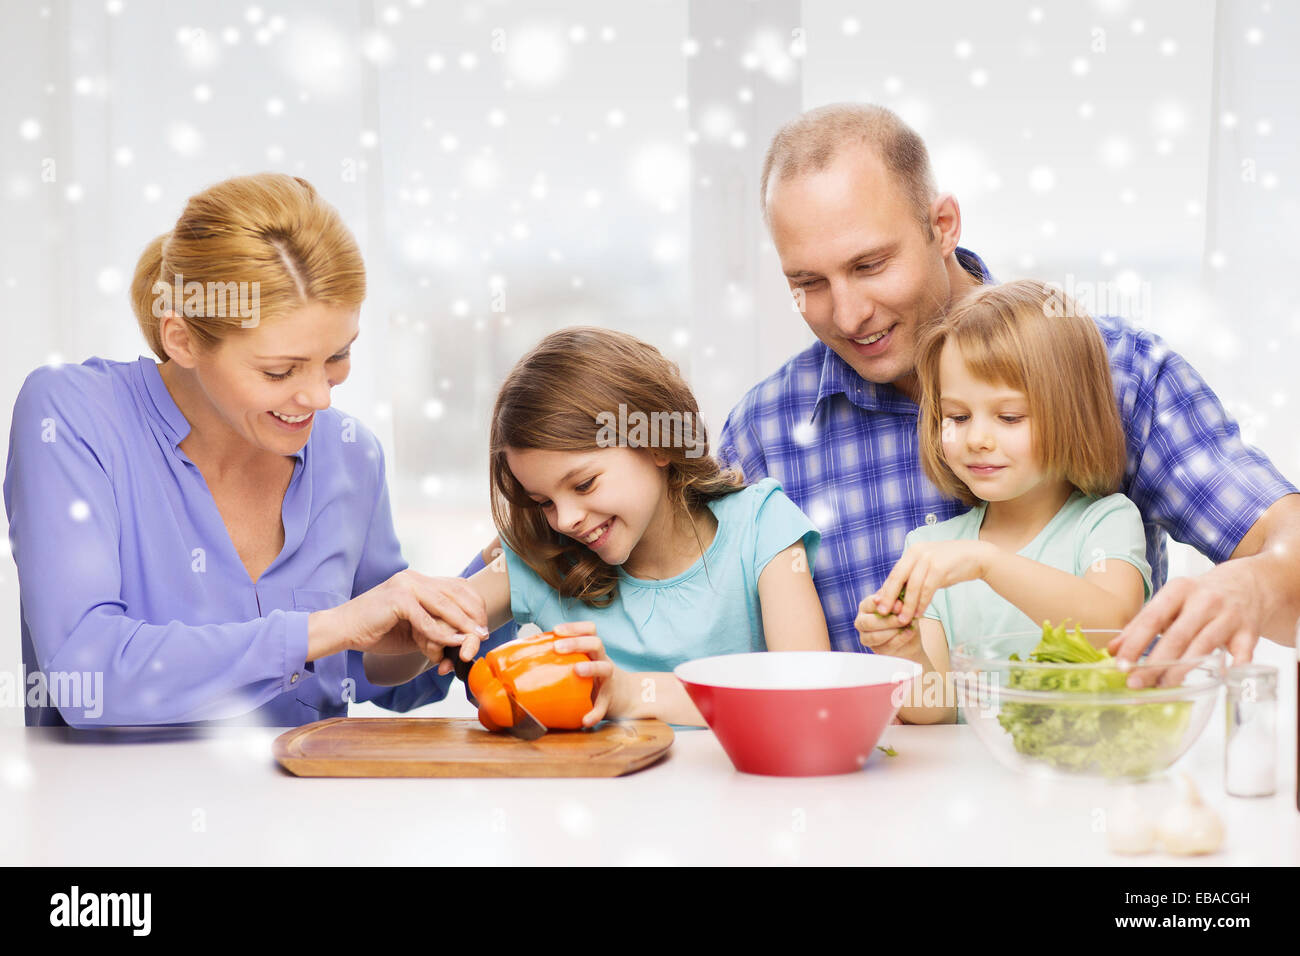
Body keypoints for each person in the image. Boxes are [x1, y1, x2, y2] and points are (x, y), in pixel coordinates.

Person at [719, 102, 1300, 685]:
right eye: (808, 283)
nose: (848, 315)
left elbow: (1285, 542)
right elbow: (720, 659)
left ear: (942, 225)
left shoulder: (1117, 372)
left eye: (870, 265)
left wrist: (1252, 584)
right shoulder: (762, 431)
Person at [4, 173, 486, 728]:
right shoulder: (73, 415)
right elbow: (85, 677)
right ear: (181, 339)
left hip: (317, 810)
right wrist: (327, 627)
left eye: (337, 357)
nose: (319, 397)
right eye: (280, 370)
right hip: (117, 811)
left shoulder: (351, 455)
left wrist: (486, 590)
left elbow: (372, 669)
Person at [365, 327, 830, 725]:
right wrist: (423, 632)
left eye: (584, 484)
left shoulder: (762, 527)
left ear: (658, 445)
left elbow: (812, 697)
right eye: (543, 501)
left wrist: (632, 694)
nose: (565, 520)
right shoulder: (546, 561)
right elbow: (380, 670)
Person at [859, 281, 1152, 722]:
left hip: (1080, 779)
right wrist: (907, 652)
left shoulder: (1104, 521)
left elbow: (1110, 627)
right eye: (957, 417)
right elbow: (936, 713)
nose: (976, 439)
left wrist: (989, 563)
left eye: (1009, 417)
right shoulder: (931, 550)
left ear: (1072, 414)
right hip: (972, 784)